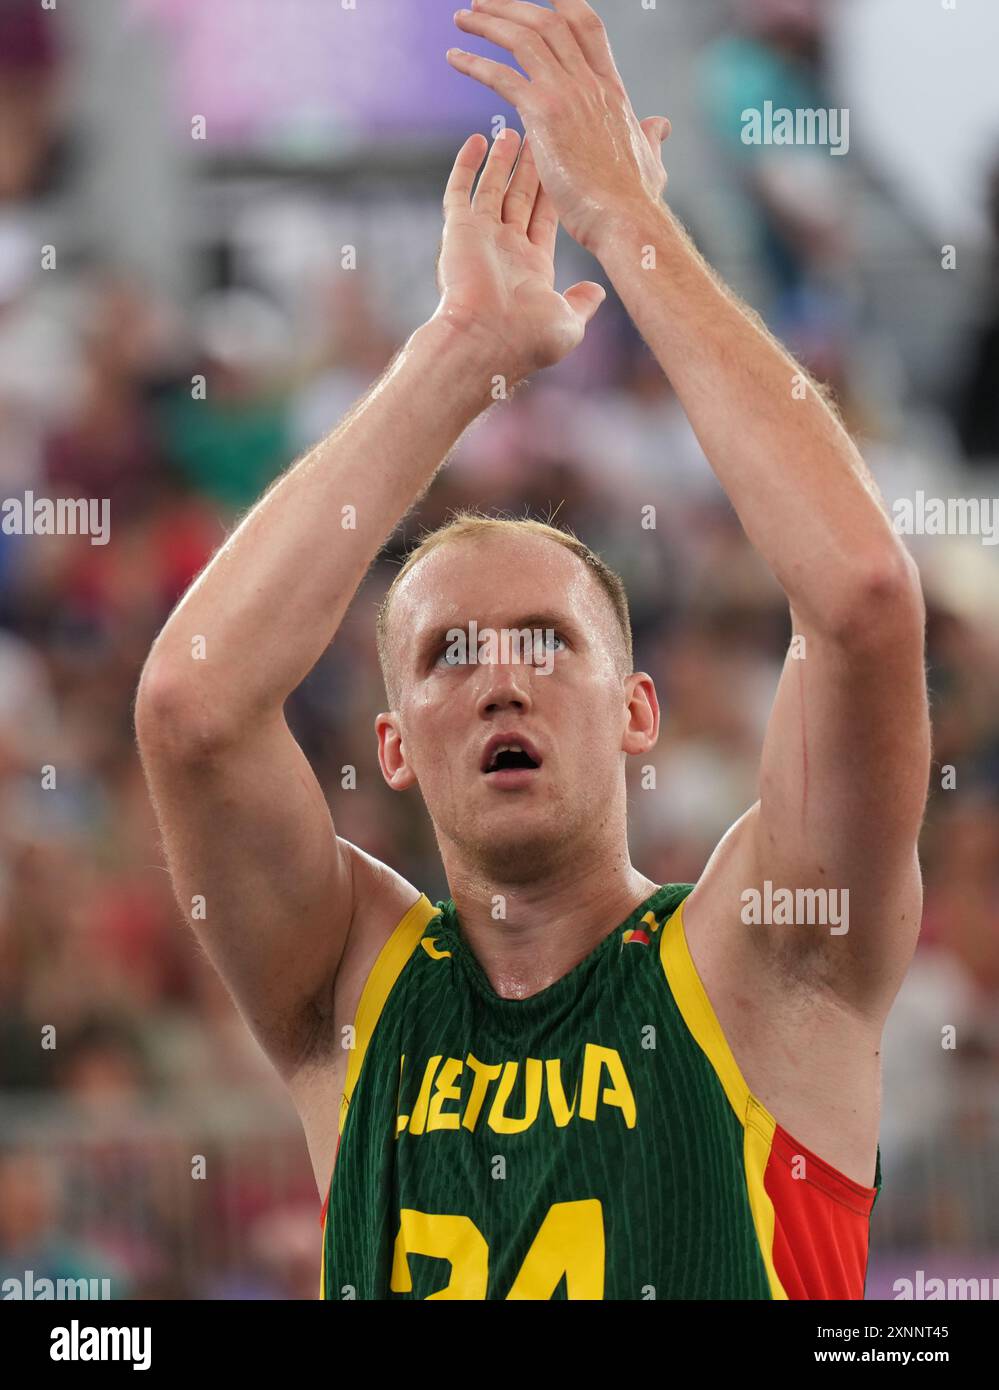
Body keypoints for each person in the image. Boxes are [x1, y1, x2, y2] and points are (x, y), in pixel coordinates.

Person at [136, 0, 929, 1300]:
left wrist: (627, 221)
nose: (501, 674)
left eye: (549, 642)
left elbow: (861, 599)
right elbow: (190, 707)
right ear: (392, 744)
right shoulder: (350, 990)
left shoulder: (766, 957)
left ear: (638, 710)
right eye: (447, 652)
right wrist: (462, 352)